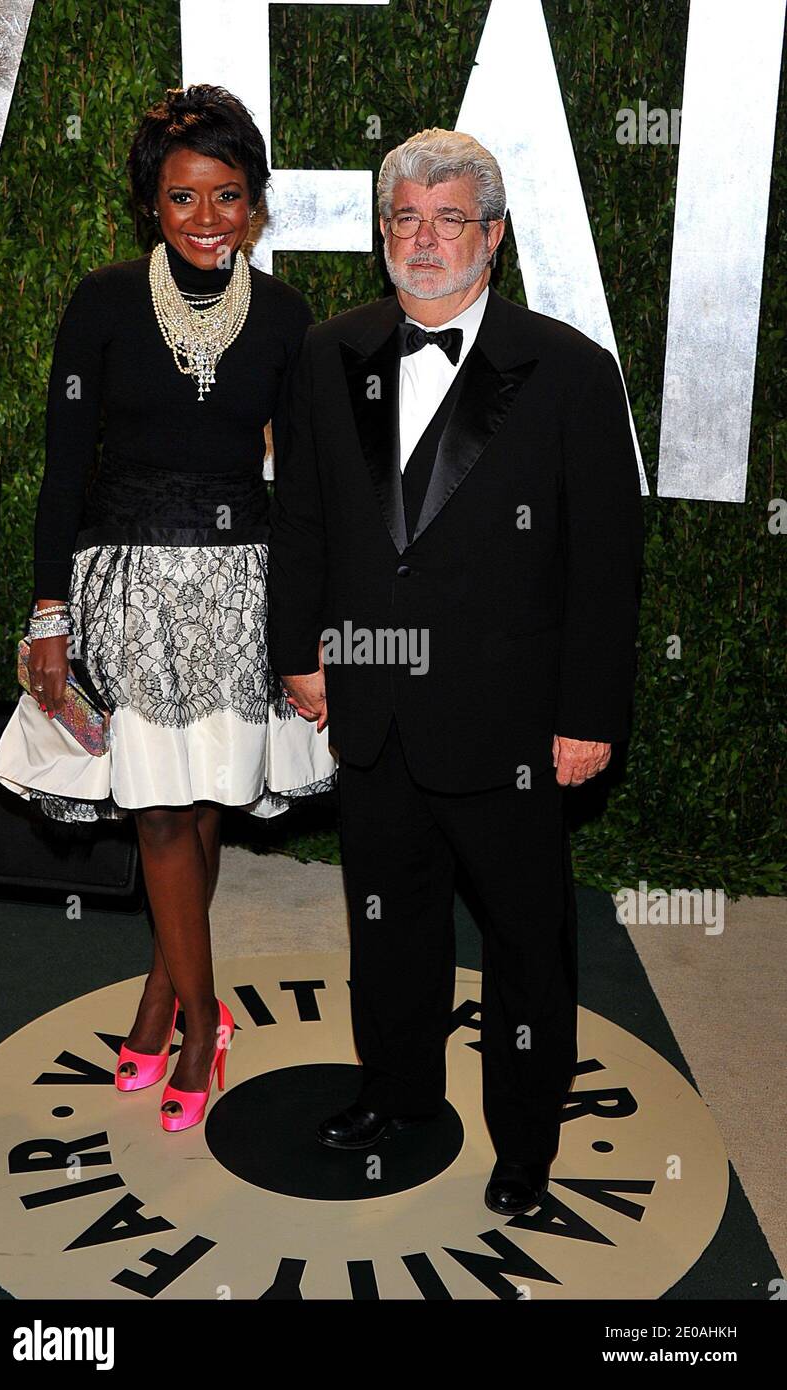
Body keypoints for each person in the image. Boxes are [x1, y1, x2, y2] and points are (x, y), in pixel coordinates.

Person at [267, 128, 643, 1214]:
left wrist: (586, 715)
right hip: (371, 705)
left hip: (511, 727)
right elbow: (303, 520)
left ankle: (524, 1141)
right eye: (404, 219)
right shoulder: (328, 350)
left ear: (493, 235)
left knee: (525, 942)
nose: (423, 241)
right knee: (386, 918)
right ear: (381, 233)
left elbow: (604, 566)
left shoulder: (569, 370)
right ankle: (395, 1089)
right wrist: (298, 651)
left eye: (447, 219)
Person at [0, 84, 336, 1133]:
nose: (205, 219)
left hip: (235, 585)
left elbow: (305, 486)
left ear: (255, 202)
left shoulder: (281, 320)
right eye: (182, 198)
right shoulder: (99, 302)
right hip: (123, 590)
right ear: (152, 202)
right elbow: (61, 473)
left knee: (200, 798)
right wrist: (49, 614)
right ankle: (199, 1018)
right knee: (155, 809)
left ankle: (161, 1005)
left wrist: (307, 615)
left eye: (227, 196)